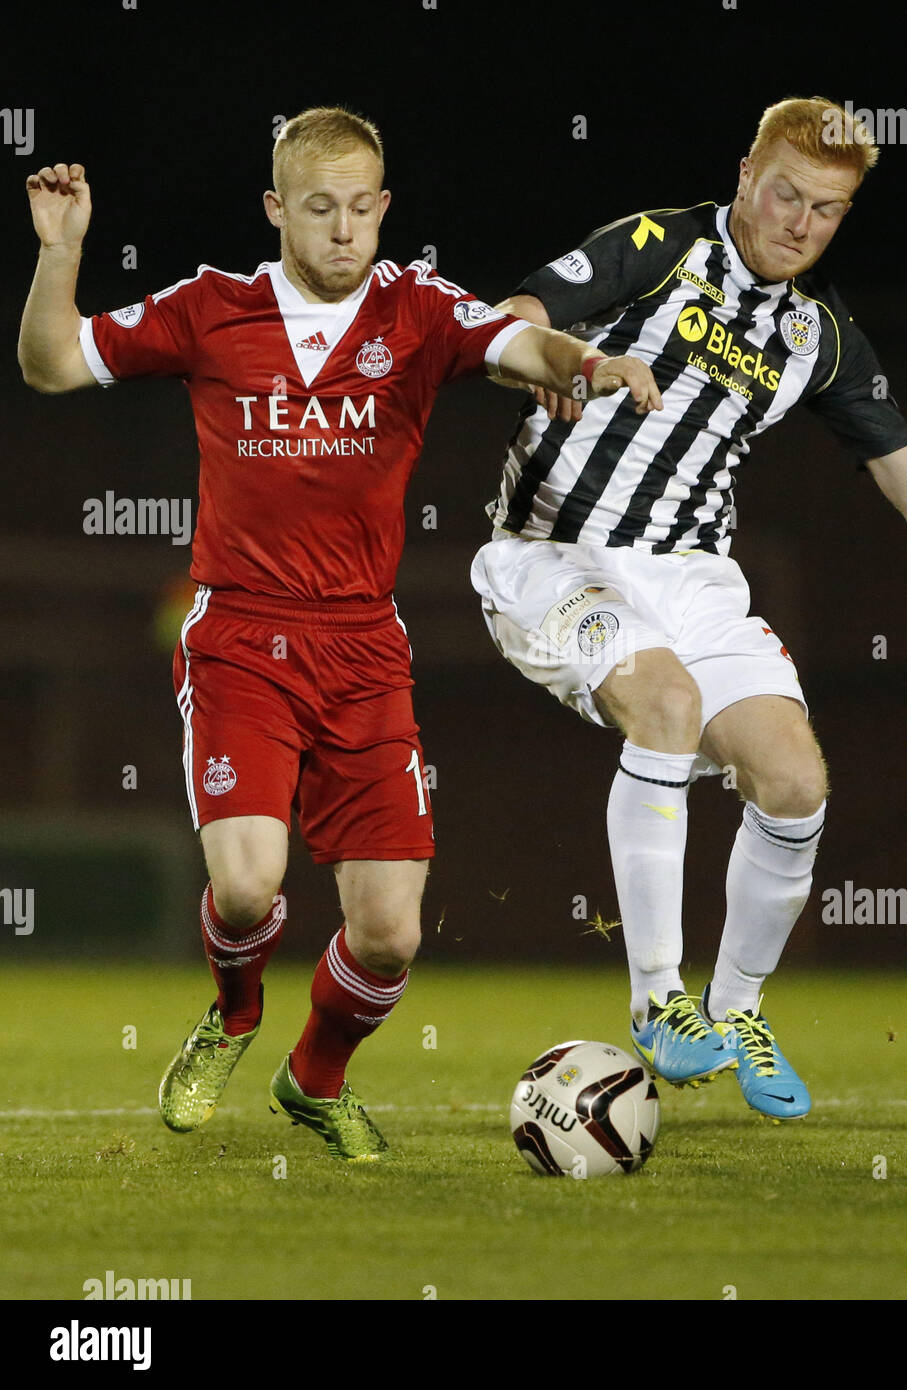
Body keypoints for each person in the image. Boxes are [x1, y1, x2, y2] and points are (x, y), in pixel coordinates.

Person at [471, 95, 907, 1119]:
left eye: (826, 209)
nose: (798, 221)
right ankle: (659, 1000)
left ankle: (735, 1012)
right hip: (556, 557)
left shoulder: (817, 339)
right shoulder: (656, 247)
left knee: (793, 779)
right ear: (746, 173)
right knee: (665, 703)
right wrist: (555, 360)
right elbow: (511, 315)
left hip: (692, 579)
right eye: (785, 193)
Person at [19, 105, 661, 1163]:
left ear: (384, 209)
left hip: (364, 647)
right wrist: (63, 255)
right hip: (241, 636)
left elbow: (515, 339)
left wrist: (587, 361)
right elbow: (49, 363)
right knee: (246, 881)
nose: (344, 231)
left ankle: (315, 1077)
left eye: (362, 208)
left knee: (390, 932)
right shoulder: (211, 310)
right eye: (320, 209)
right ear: (276, 209)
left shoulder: (415, 310)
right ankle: (232, 1016)